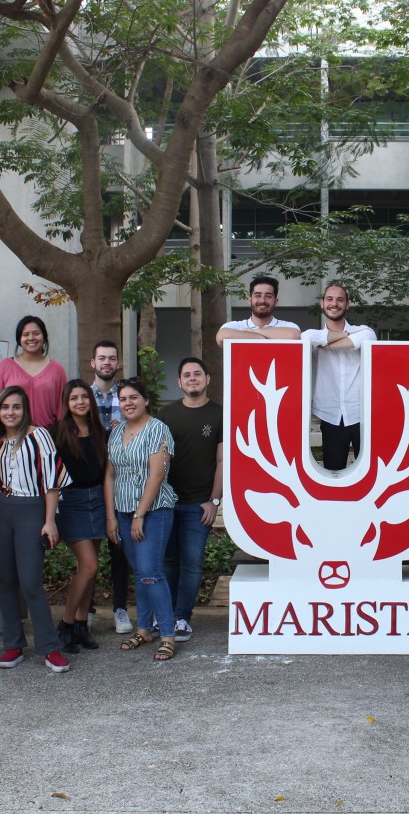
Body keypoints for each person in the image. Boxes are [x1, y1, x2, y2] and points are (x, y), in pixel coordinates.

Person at [0, 386, 71, 672]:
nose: (10, 412)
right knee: (5, 579)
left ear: (24, 409)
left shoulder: (39, 435)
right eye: (5, 407)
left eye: (16, 407)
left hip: (31, 509)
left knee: (30, 580)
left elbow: (52, 478)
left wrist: (50, 519)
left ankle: (49, 647)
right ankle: (13, 644)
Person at [104, 379, 179, 661]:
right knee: (140, 573)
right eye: (123, 399)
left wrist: (139, 515)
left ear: (146, 400)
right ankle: (145, 629)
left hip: (154, 510)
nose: (128, 403)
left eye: (134, 397)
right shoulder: (117, 432)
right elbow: (110, 474)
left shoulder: (158, 429)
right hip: (122, 511)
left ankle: (168, 634)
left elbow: (157, 474)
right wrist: (111, 516)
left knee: (150, 571)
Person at [157, 357, 224, 643]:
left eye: (198, 373)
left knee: (193, 562)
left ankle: (183, 616)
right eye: (187, 375)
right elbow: (157, 461)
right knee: (169, 561)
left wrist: (214, 500)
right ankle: (168, 615)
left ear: (208, 379)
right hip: (168, 503)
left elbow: (222, 460)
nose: (192, 378)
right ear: (179, 382)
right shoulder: (166, 415)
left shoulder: (220, 414)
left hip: (200, 504)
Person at [52, 378, 109, 654]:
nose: (80, 402)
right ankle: (65, 623)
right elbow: (50, 477)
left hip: (97, 499)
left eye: (84, 397)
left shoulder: (101, 431)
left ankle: (81, 624)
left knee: (90, 569)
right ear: (67, 402)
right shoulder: (58, 433)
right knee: (88, 565)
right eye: (74, 398)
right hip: (71, 501)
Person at [299, 283, 375, 471]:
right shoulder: (312, 334)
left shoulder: (364, 331)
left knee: (368, 473)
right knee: (334, 471)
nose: (335, 304)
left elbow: (367, 337)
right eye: (330, 299)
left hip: (362, 414)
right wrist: (347, 337)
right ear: (322, 303)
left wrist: (325, 344)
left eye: (340, 300)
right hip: (330, 414)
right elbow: (305, 339)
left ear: (347, 305)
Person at [86, 339, 133, 636]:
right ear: (93, 363)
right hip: (89, 482)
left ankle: (119, 608)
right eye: (101, 358)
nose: (107, 362)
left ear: (118, 363)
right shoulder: (82, 396)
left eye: (112, 358)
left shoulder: (127, 396)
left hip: (121, 480)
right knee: (89, 549)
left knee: (120, 549)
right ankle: (86, 609)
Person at [0, 315, 67, 428]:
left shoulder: (57, 370)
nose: (31, 338)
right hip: (11, 435)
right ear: (19, 339)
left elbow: (62, 408)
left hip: (48, 435)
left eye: (36, 333)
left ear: (44, 337)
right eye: (25, 334)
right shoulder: (3, 367)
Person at [215, 275, 302, 345]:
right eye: (257, 295)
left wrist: (253, 331)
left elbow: (293, 336)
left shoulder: (288, 326)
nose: (262, 301)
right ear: (250, 300)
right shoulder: (235, 326)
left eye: (268, 296)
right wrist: (263, 338)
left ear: (275, 301)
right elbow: (221, 337)